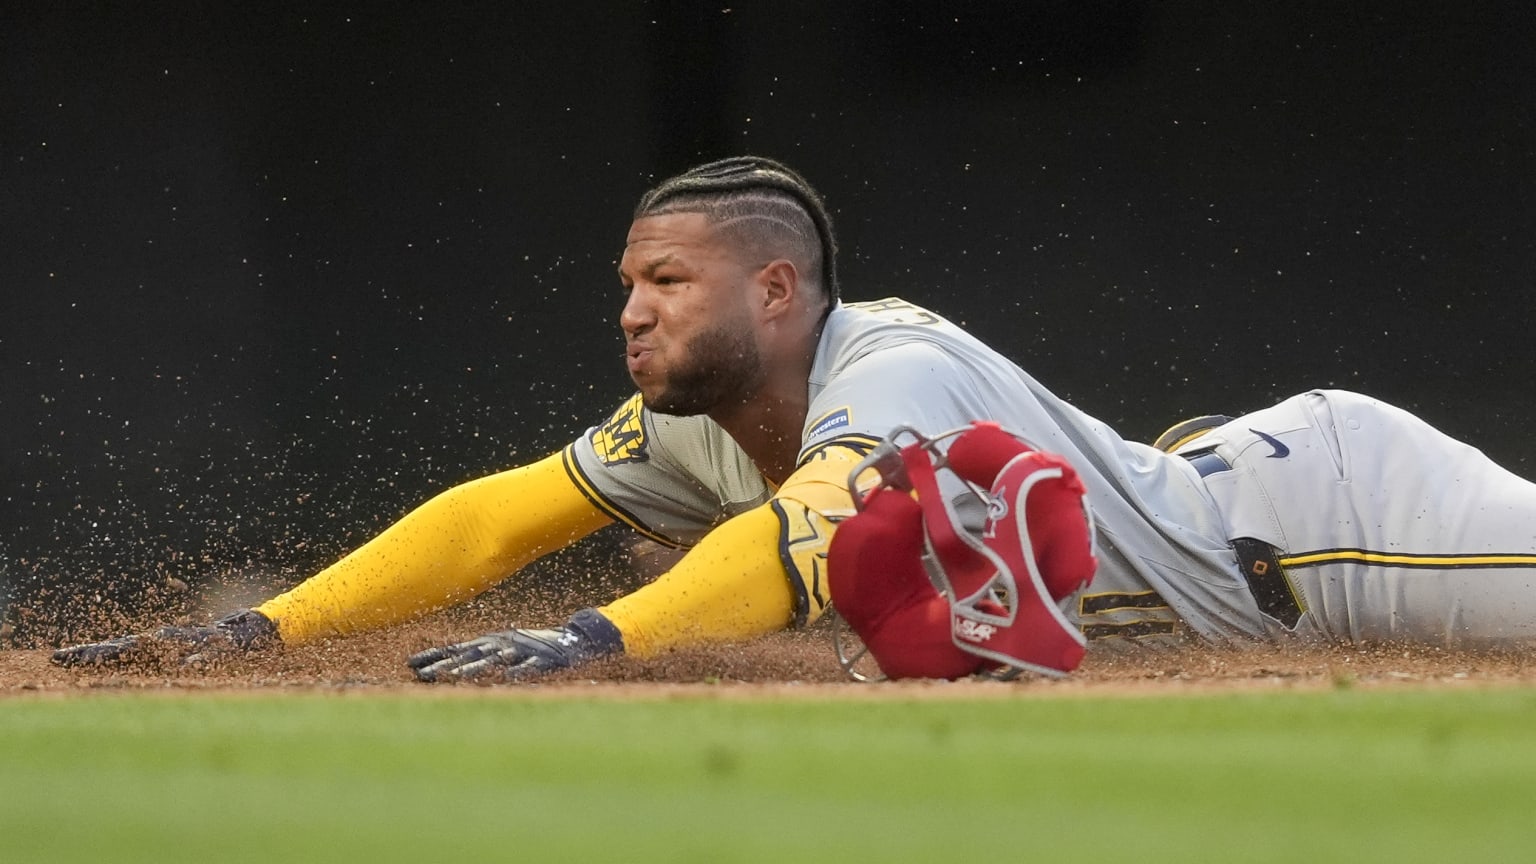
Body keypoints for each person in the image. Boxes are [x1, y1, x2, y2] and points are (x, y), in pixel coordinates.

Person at [50, 155, 1536, 682]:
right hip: (1226, 535)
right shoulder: (694, 421)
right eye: (625, 282)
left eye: (666, 280)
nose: (631, 310)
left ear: (777, 290)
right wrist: (263, 633)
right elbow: (502, 515)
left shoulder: (883, 368)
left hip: (1330, 525)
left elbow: (806, 531)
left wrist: (600, 639)